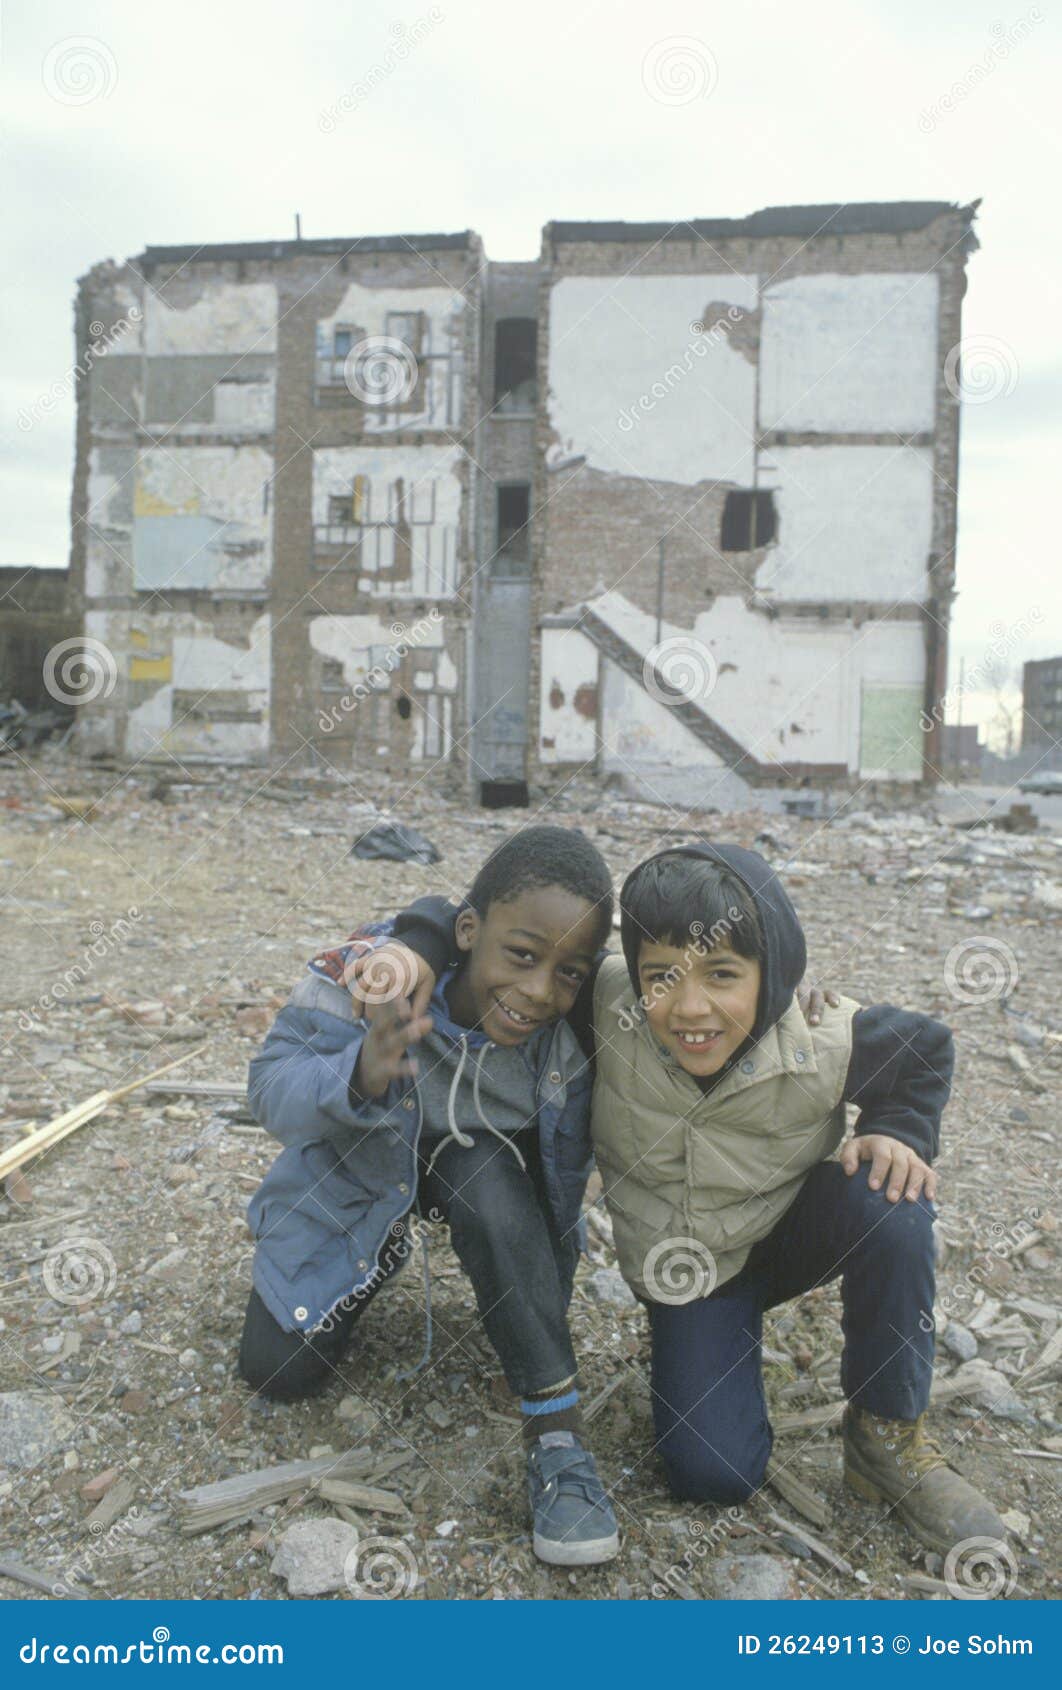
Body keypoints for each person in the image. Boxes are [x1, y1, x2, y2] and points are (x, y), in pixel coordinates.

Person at [375, 841, 1006, 1557]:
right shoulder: (604, 1004)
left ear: (775, 976)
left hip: (792, 1231)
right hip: (696, 1277)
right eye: (662, 977)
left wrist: (899, 1132)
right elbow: (489, 924)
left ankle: (886, 1438)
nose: (690, 1006)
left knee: (892, 1198)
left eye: (724, 975)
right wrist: (420, 942)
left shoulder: (822, 1034)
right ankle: (726, 1366)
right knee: (714, 1473)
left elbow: (927, 1049)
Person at [237, 824, 623, 1567]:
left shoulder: (576, 1024)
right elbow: (269, 1091)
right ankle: (374, 1254)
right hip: (361, 1180)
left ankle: (558, 1438)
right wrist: (359, 1072)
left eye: (567, 971)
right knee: (276, 1372)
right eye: (520, 956)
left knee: (481, 1173)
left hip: (486, 1182)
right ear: (468, 932)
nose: (540, 990)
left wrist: (539, 1299)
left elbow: (690, 1008)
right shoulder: (367, 978)